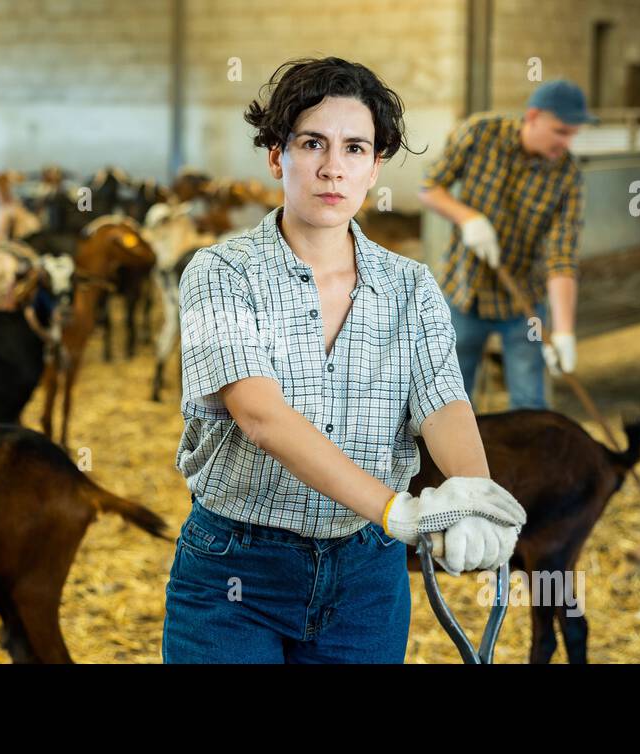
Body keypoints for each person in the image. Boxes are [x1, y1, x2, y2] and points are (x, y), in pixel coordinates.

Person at [163, 57, 527, 664]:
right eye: (313, 144)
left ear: (375, 165)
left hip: (366, 578)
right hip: (235, 573)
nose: (333, 168)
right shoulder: (220, 274)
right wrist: (400, 510)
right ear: (277, 156)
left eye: (355, 148)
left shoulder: (410, 285)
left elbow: (444, 404)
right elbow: (261, 417)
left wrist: (473, 494)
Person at [417, 80, 593, 409]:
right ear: (534, 116)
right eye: (560, 131)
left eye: (572, 134)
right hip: (464, 293)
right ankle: (450, 462)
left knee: (530, 405)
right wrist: (467, 217)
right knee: (448, 402)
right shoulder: (479, 134)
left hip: (523, 303)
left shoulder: (568, 177)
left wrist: (564, 333)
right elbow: (429, 188)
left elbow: (562, 258)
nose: (567, 143)